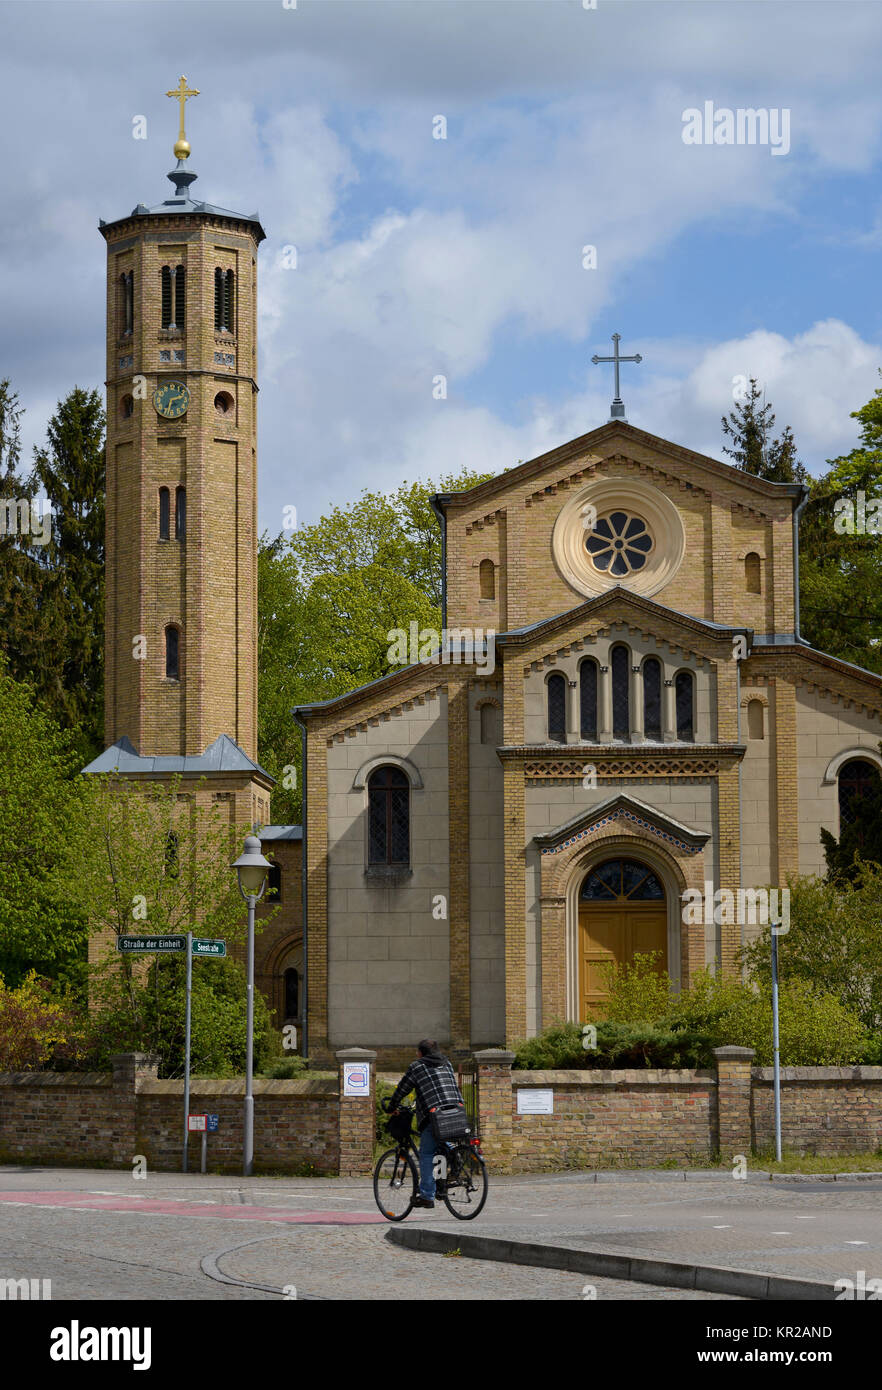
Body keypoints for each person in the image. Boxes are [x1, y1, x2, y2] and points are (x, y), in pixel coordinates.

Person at [386, 1039, 465, 1208]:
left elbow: (403, 1088)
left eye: (417, 1052)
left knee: (427, 1153)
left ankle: (427, 1195)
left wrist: (392, 1106)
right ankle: (450, 1163)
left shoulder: (417, 1066)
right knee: (442, 1146)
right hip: (456, 1110)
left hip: (435, 1114)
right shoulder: (447, 1063)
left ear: (421, 1053)